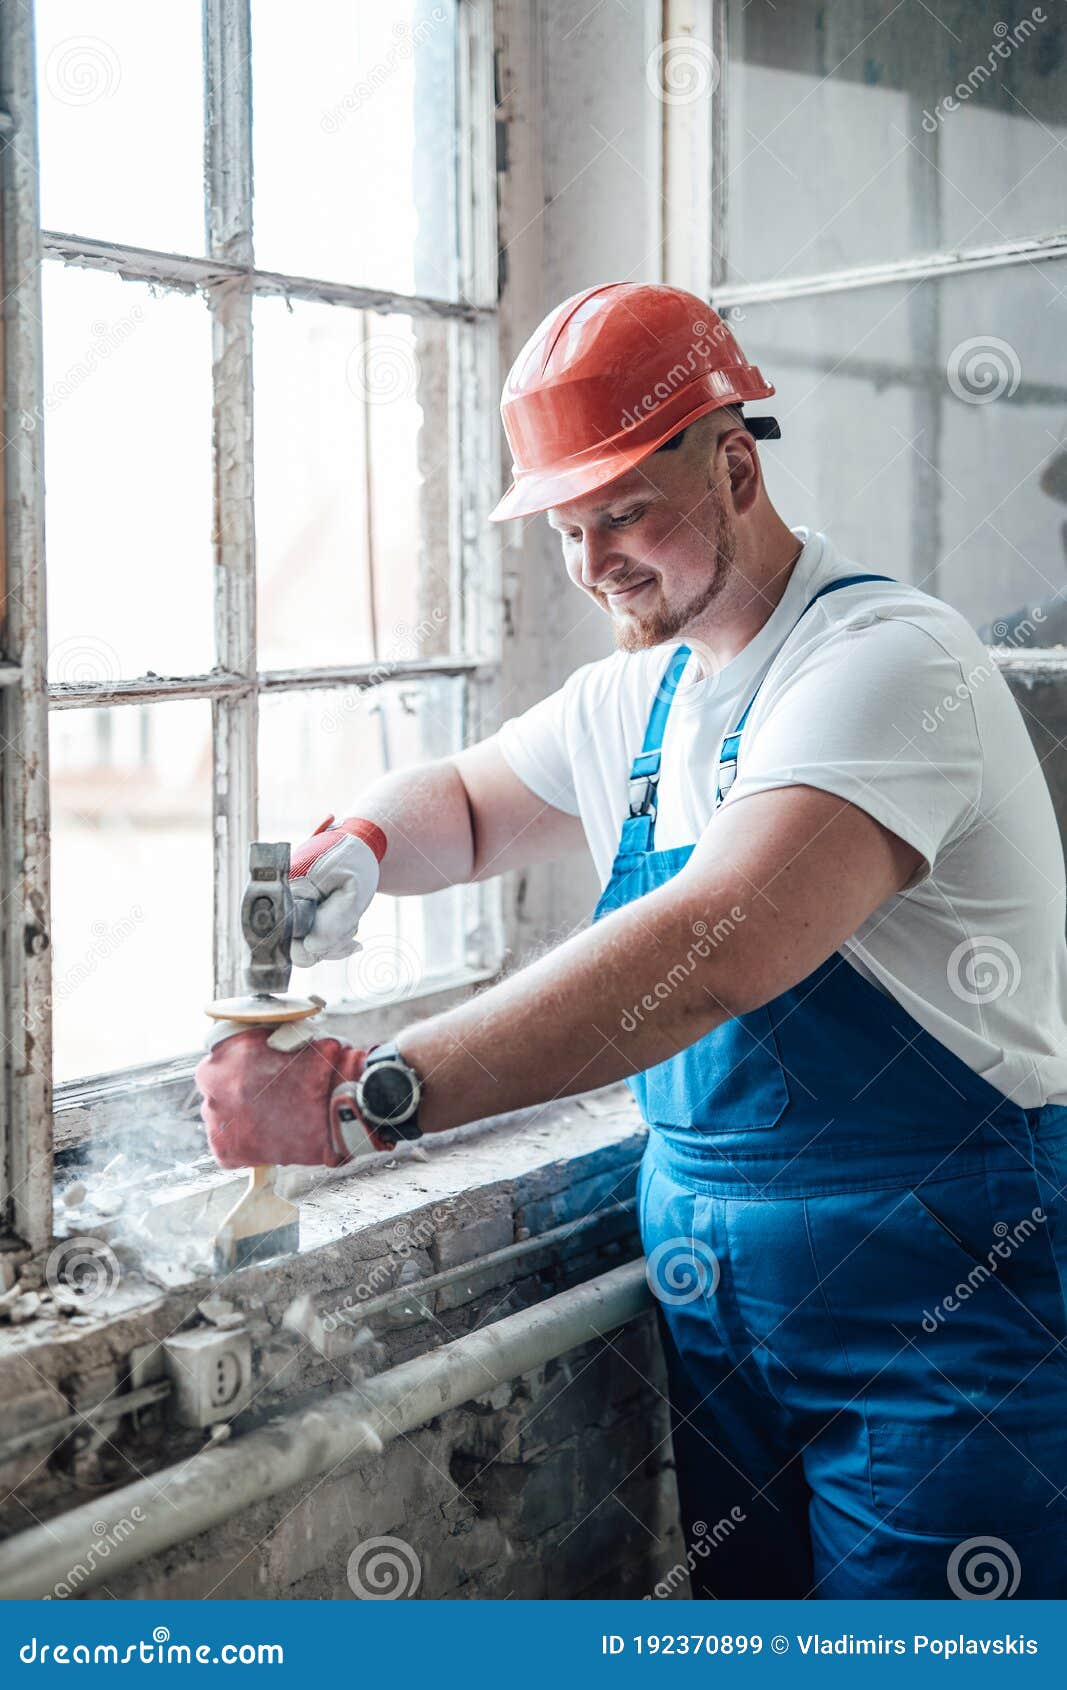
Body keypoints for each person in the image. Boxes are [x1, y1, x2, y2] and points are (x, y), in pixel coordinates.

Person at [197, 282, 1067, 1599]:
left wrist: (373, 1099)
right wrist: (360, 849)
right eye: (566, 526)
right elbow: (477, 803)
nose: (597, 559)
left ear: (733, 466)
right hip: (726, 1313)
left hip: (939, 1307)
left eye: (625, 513)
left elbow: (713, 943)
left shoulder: (889, 661)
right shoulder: (647, 696)